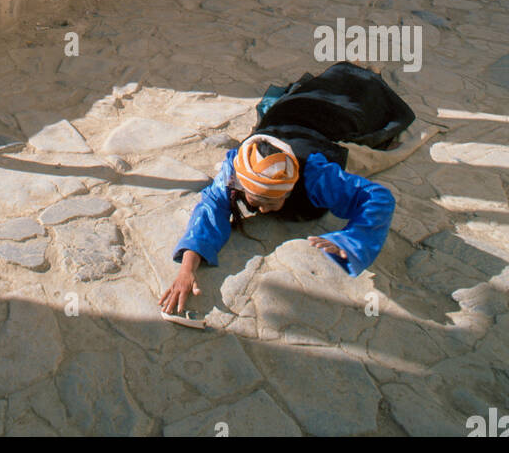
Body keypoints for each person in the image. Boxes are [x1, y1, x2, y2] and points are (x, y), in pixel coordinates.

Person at [159, 62, 415, 315]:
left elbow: (377, 197)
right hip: (286, 116)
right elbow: (210, 209)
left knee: (362, 95)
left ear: (290, 190)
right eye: (256, 201)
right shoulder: (237, 170)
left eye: (271, 202)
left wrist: (354, 242)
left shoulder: (314, 174)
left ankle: (361, 72)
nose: (262, 210)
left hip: (327, 119)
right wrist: (186, 271)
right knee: (313, 92)